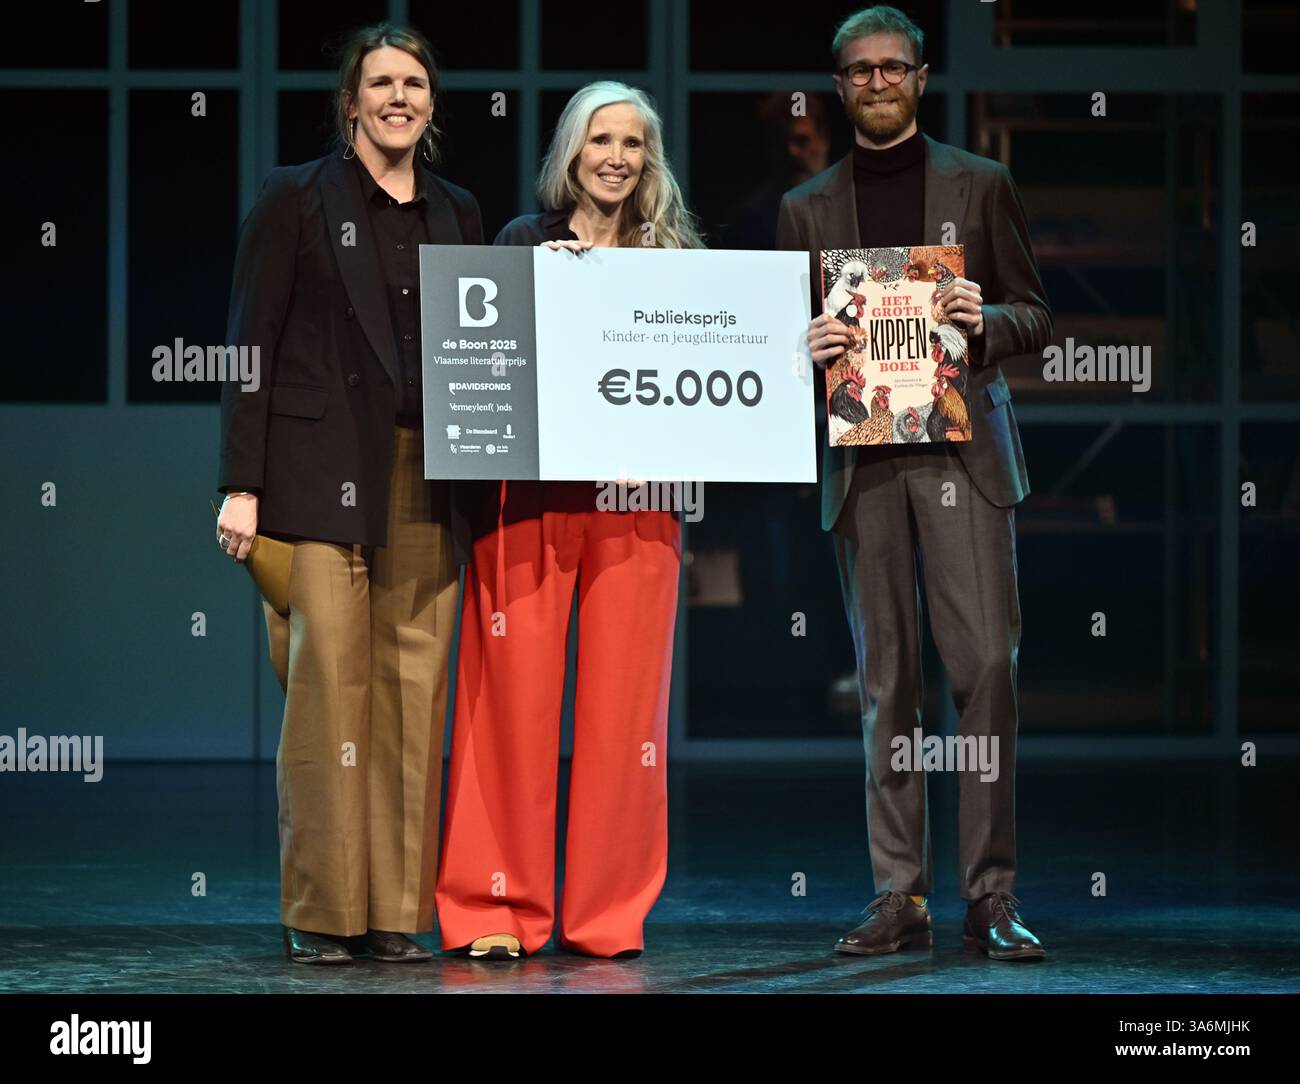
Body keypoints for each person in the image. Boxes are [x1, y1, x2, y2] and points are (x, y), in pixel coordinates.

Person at [777, 5, 1053, 961]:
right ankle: (900, 894)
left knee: (984, 673)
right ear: (841, 83)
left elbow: (1036, 312)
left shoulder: (981, 184)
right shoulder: (807, 208)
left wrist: (987, 319)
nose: (879, 82)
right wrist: (800, 344)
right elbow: (779, 348)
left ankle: (991, 895)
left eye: (895, 68)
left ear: (922, 77)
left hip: (962, 457)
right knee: (887, 686)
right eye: (861, 71)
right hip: (865, 465)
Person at [215, 23, 483, 965]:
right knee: (330, 689)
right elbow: (251, 341)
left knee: (415, 693)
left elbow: (483, 355)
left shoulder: (458, 211)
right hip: (313, 476)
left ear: (431, 104)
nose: (399, 97)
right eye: (381, 82)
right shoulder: (294, 195)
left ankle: (390, 914)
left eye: (414, 82)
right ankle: (321, 913)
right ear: (351, 102)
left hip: (426, 476)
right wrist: (241, 484)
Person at [434, 82, 701, 960]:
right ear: (570, 154)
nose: (616, 157)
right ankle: (496, 910)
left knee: (628, 723)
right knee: (508, 708)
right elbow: (484, 367)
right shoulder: (521, 242)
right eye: (600, 141)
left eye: (632, 143)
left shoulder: (676, 260)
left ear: (648, 159)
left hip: (638, 509)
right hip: (529, 503)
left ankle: (605, 916)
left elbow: (713, 385)